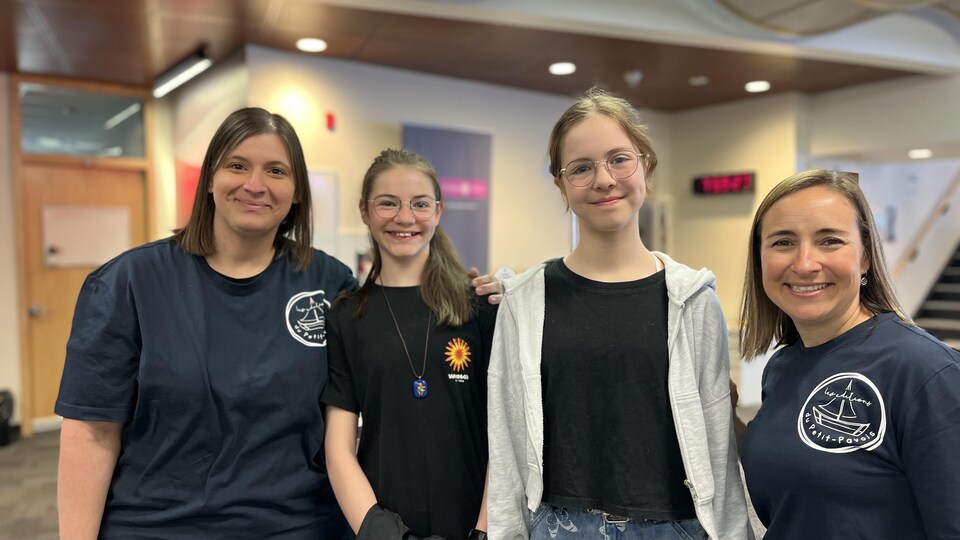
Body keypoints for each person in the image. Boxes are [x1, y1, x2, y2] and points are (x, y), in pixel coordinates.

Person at [54, 107, 359, 539]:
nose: (255, 185)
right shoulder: (129, 283)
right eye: (238, 165)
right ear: (211, 180)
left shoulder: (329, 282)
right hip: (160, 526)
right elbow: (91, 434)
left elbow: (390, 359)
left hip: (299, 525)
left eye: (276, 171)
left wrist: (468, 303)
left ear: (297, 193)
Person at [486, 88, 754, 539]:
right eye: (582, 168)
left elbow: (716, 443)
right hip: (559, 527)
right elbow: (507, 441)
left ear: (645, 166)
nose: (604, 179)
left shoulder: (693, 300)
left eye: (618, 159)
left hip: (675, 528)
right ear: (561, 184)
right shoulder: (524, 302)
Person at [739, 169, 960, 538]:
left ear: (865, 258)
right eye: (782, 242)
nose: (805, 264)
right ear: (760, 260)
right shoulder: (783, 365)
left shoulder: (927, 372)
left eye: (830, 241)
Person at [322, 148, 496, 540]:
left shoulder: (479, 307)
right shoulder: (346, 317)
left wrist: (484, 530)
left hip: (474, 523)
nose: (404, 218)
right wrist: (382, 532)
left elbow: (503, 435)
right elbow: (339, 448)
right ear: (365, 211)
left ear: (438, 211)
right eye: (388, 203)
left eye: (420, 204)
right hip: (384, 524)